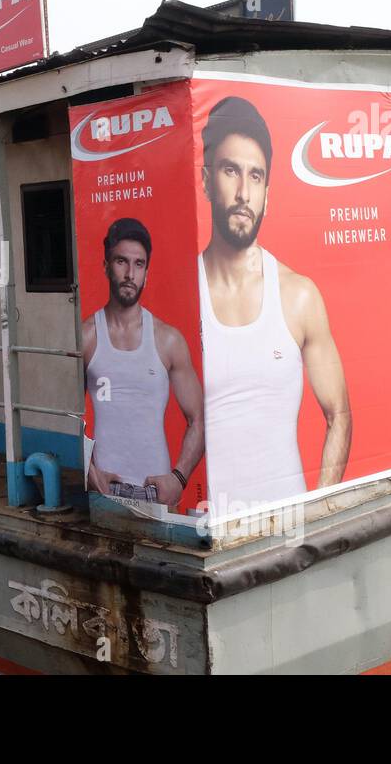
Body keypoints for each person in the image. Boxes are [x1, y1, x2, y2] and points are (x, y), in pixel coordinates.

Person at [197, 95, 350, 505]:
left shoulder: (298, 296)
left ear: (268, 192)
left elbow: (340, 414)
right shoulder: (182, 296)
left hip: (290, 531)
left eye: (257, 176)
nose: (244, 192)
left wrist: (321, 510)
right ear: (208, 179)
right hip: (212, 531)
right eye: (231, 171)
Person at [82, 218, 204, 509]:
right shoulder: (86, 336)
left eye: (139, 264)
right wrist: (88, 471)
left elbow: (199, 418)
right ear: (106, 266)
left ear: (146, 273)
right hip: (104, 488)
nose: (129, 273)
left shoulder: (167, 340)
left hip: (157, 491)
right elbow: (64, 415)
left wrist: (179, 478)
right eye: (121, 261)